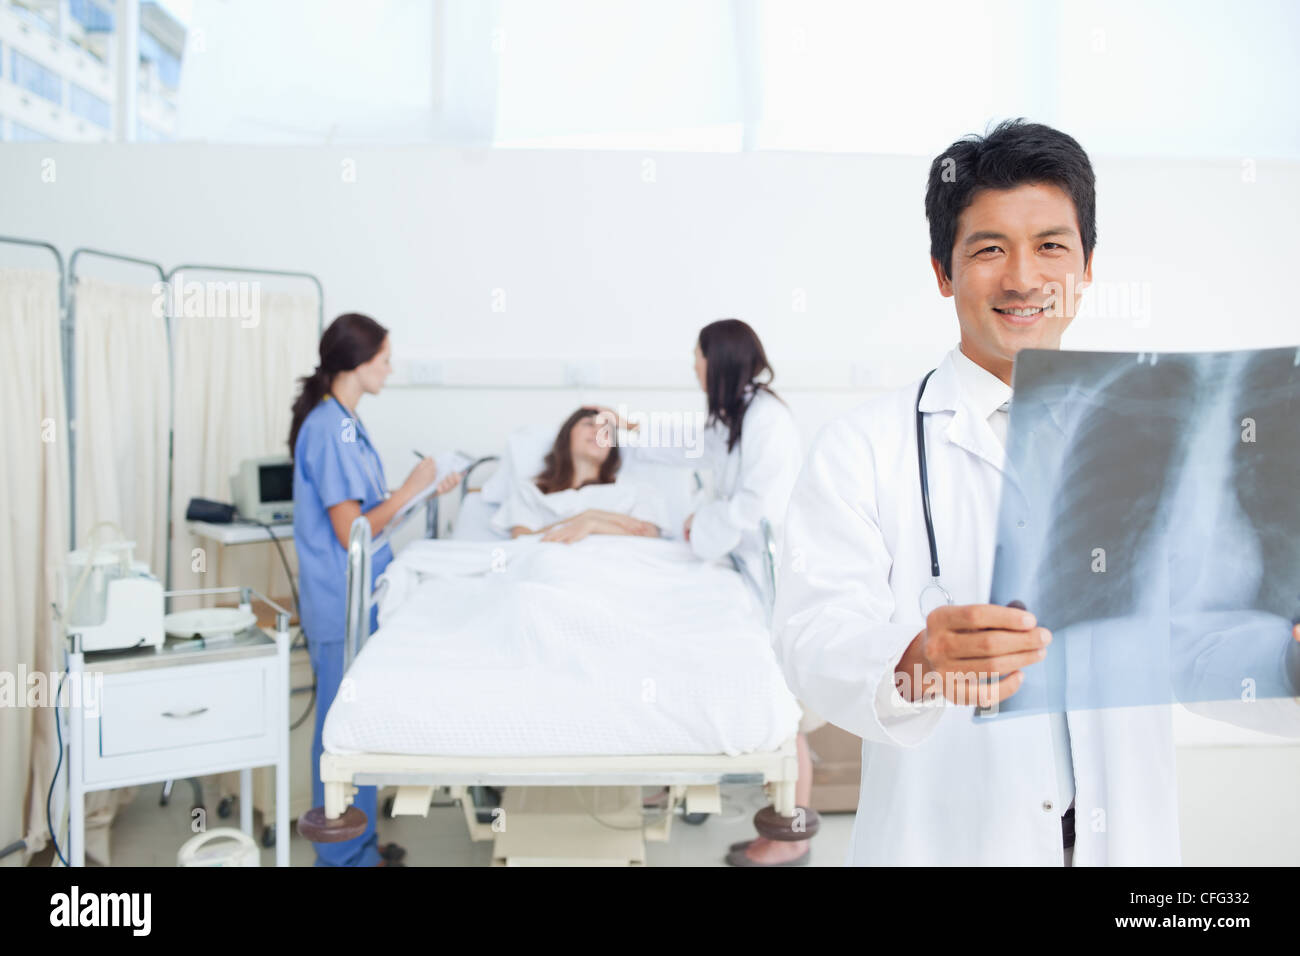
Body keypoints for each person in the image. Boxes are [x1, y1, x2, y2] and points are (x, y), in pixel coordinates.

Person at [772, 119, 1300, 866]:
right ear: (942, 271)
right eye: (989, 249)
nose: (1023, 278)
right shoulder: (863, 447)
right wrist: (916, 656)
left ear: (1086, 267)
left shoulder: (1156, 435)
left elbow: (1198, 645)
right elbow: (812, 639)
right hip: (948, 844)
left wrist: (1284, 662)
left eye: (1052, 246)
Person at [608, 319, 817, 866]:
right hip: (740, 570)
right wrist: (621, 438)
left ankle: (792, 840)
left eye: (697, 357)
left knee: (783, 707)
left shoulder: (767, 420)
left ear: (718, 360)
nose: (693, 367)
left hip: (772, 579)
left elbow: (755, 509)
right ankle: (681, 781)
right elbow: (682, 451)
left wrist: (698, 526)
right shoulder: (732, 417)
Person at [289, 312, 460, 867]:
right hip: (341, 602)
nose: (390, 368)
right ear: (358, 363)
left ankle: (359, 842)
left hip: (358, 598)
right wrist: (412, 485)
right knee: (344, 732)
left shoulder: (343, 422)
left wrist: (424, 494)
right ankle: (342, 858)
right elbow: (350, 531)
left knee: (355, 724)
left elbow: (369, 513)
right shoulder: (327, 427)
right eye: (385, 358)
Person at [493, 406, 664, 542]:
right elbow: (521, 542)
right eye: (589, 424)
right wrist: (581, 519)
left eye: (605, 430)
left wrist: (593, 523)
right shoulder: (531, 491)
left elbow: (648, 536)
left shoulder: (635, 489)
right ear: (567, 436)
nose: (597, 432)